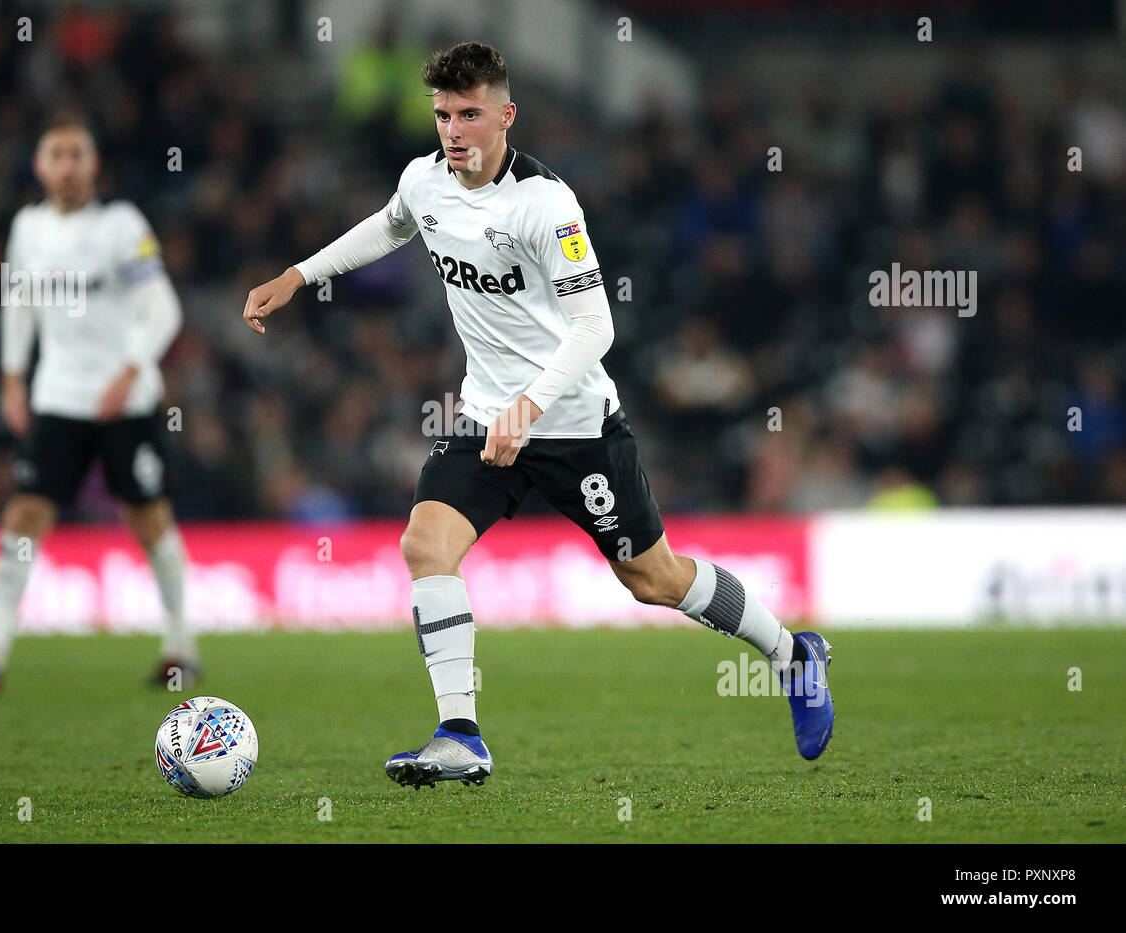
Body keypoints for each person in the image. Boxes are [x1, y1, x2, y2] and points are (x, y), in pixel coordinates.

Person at [242, 44, 833, 787]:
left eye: (469, 114)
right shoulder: (424, 180)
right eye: (442, 115)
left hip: (575, 425)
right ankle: (459, 731)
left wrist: (532, 402)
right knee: (426, 546)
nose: (453, 131)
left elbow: (596, 328)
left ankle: (790, 652)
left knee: (653, 578)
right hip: (487, 422)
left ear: (505, 115)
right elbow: (390, 225)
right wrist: (299, 275)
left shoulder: (546, 204)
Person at [0, 115, 196, 691]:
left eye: (78, 154)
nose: (68, 166)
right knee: (25, 512)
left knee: (147, 518)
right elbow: (19, 305)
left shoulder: (123, 226)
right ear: (39, 166)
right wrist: (10, 379)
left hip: (126, 401)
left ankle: (181, 645)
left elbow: (164, 309)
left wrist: (131, 370)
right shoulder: (28, 228)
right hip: (58, 397)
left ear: (93, 165)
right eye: (57, 155)